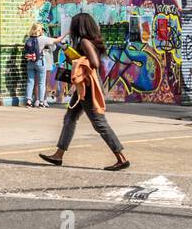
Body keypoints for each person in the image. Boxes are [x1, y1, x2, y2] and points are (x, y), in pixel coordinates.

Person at [39, 12, 130, 171]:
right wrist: (72, 58)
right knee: (70, 118)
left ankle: (121, 158)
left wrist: (76, 61)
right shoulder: (89, 41)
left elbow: (93, 63)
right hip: (84, 86)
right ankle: (59, 155)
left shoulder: (85, 42)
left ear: (78, 27)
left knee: (99, 122)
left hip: (88, 87)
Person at [22, 23, 46, 107]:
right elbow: (53, 45)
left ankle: (28, 100)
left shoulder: (28, 39)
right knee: (41, 82)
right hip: (40, 62)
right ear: (39, 30)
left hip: (30, 62)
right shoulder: (42, 39)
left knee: (30, 81)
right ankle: (41, 102)